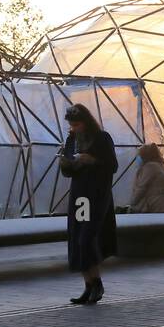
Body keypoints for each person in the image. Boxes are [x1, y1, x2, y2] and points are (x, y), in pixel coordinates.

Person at [60, 103, 118, 305]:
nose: (74, 129)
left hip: (97, 195)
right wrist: (68, 164)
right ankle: (88, 285)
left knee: (87, 238)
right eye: (72, 125)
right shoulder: (72, 140)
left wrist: (91, 160)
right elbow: (67, 170)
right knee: (78, 238)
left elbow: (112, 165)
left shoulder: (102, 138)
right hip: (80, 195)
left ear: (86, 122)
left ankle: (97, 283)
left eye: (77, 125)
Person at [130, 143, 164, 213]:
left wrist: (132, 203)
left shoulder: (150, 167)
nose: (138, 158)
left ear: (145, 156)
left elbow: (141, 189)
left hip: (154, 208)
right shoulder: (162, 167)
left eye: (139, 155)